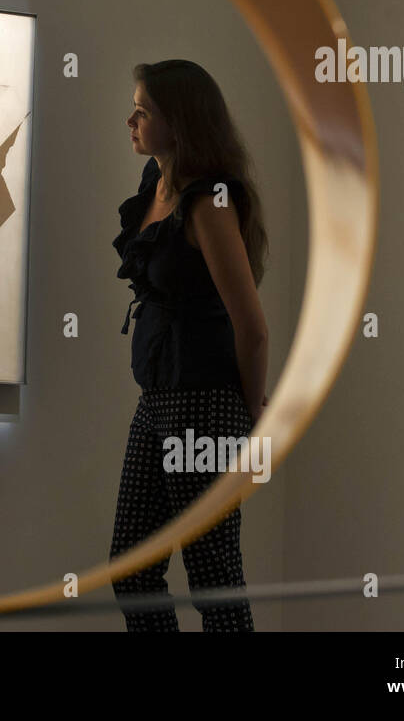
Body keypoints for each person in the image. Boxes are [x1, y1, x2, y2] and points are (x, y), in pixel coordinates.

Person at [109, 59, 270, 632]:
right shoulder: (155, 187)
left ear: (179, 122)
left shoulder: (209, 204)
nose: (130, 119)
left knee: (214, 583)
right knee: (132, 571)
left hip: (207, 408)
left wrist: (253, 418)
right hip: (155, 403)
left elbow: (250, 325)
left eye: (143, 110)